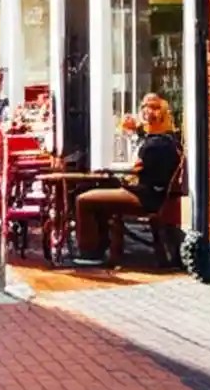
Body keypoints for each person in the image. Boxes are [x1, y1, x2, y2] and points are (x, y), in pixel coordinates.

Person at [73, 94, 182, 266]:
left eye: (146, 115)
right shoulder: (169, 141)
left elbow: (138, 169)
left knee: (84, 200)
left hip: (146, 198)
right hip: (153, 194)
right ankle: (101, 245)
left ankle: (90, 253)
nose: (143, 119)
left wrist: (118, 172)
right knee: (99, 191)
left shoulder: (155, 145)